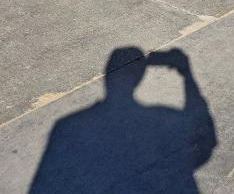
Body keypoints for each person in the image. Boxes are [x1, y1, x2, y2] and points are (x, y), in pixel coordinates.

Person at [30, 47, 217, 193]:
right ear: (140, 77)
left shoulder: (69, 127)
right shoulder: (165, 121)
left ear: (107, 76)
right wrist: (187, 74)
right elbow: (205, 140)